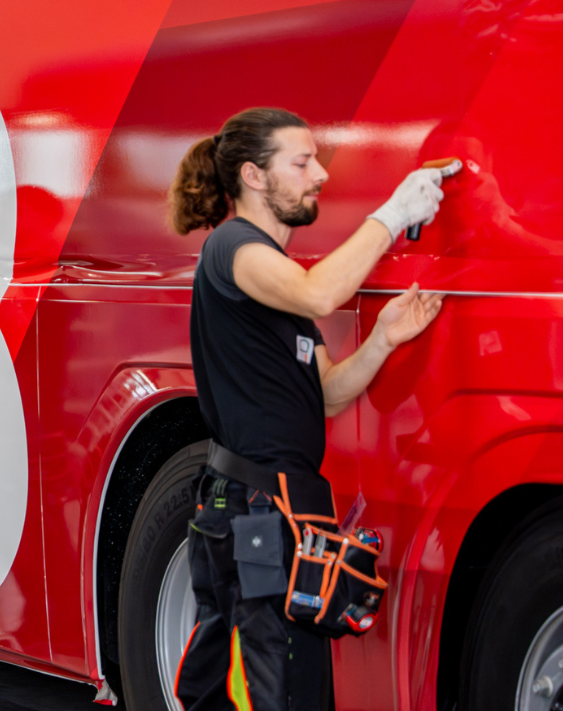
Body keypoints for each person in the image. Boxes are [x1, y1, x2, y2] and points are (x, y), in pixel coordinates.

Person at [168, 108, 446, 709]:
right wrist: (395, 214)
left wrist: (384, 339)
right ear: (254, 177)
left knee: (241, 685)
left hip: (266, 511)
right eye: (302, 162)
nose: (320, 175)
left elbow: (327, 393)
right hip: (258, 513)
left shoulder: (275, 279)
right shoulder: (236, 249)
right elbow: (323, 291)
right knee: (278, 689)